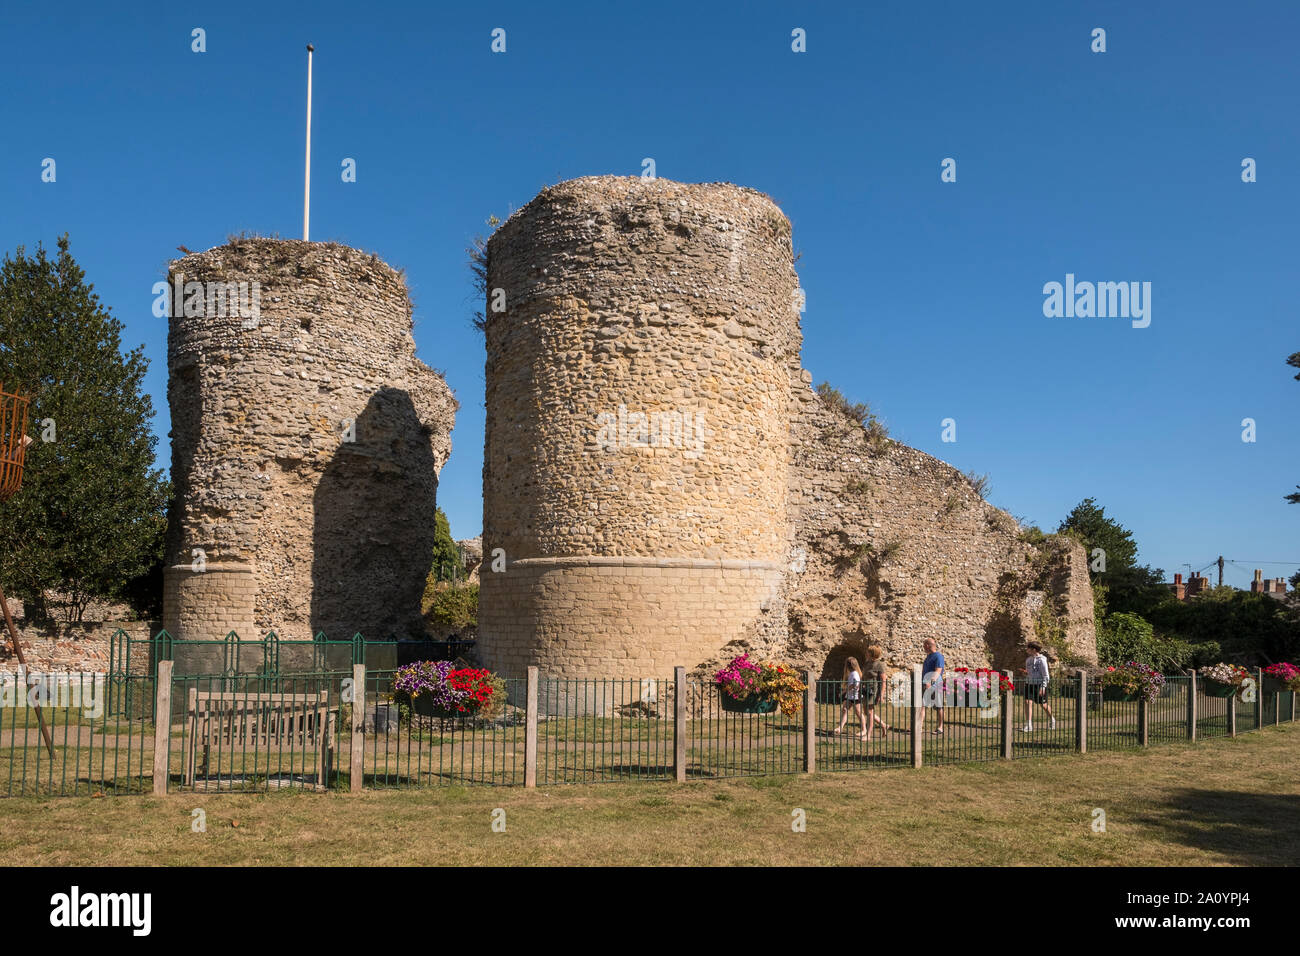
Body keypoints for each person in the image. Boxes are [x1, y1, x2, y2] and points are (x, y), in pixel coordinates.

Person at [1019, 641, 1056, 732]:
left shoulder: (1042, 660)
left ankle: (1052, 719)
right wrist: (1025, 673)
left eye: (1028, 648)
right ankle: (1029, 725)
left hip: (1039, 685)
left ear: (1034, 649)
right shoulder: (1028, 660)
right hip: (1029, 684)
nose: (1026, 649)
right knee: (1027, 702)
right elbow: (1030, 672)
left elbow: (1046, 675)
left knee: (1043, 705)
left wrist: (1043, 687)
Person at [862, 645, 890, 739]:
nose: (866, 653)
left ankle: (868, 735)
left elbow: (883, 680)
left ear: (872, 654)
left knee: (870, 712)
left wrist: (881, 695)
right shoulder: (867, 663)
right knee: (866, 712)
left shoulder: (879, 665)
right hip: (865, 689)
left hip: (873, 690)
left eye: (868, 652)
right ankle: (884, 725)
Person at [834, 656, 867, 737]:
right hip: (850, 695)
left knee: (858, 712)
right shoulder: (852, 673)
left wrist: (843, 691)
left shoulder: (855, 674)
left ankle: (864, 730)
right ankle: (840, 728)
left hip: (856, 696)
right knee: (845, 709)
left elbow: (854, 685)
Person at [921, 638, 946, 735]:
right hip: (926, 685)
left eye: (924, 645)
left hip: (935, 685)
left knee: (939, 706)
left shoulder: (938, 656)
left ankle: (940, 727)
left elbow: (938, 671)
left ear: (928, 645)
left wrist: (930, 682)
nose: (923, 648)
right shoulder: (928, 657)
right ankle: (918, 727)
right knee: (922, 706)